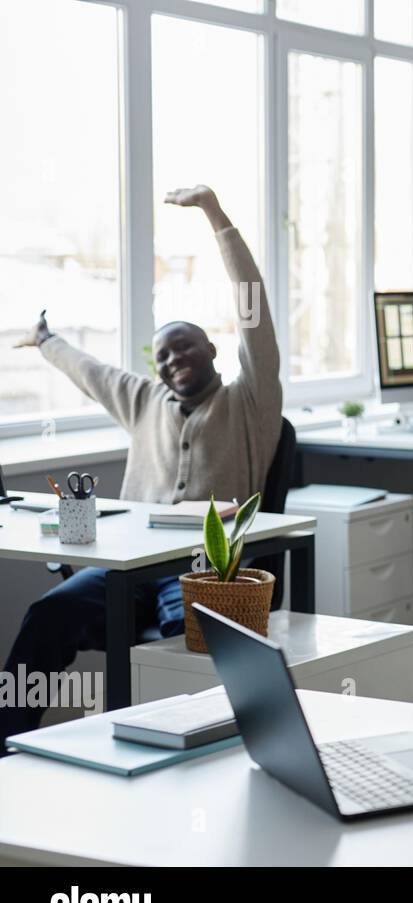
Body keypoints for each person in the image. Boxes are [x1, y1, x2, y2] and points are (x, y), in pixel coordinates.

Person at [1, 185, 281, 745]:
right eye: (163, 355)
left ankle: (200, 747)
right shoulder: (145, 402)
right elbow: (91, 371)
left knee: (187, 643)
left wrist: (215, 215)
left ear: (214, 352)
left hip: (201, 571)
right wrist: (46, 339)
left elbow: (253, 307)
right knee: (48, 614)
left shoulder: (250, 401)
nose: (174, 360)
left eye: (185, 347)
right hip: (126, 571)